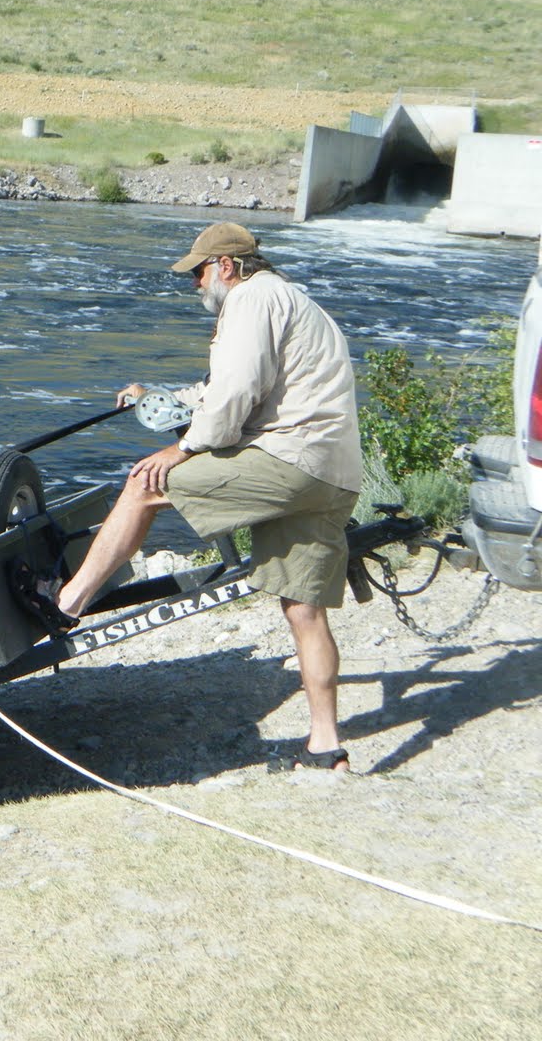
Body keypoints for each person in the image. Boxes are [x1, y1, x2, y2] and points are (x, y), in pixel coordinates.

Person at [52, 222, 363, 772]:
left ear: (226, 266)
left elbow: (237, 393)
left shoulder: (249, 300)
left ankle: (66, 605)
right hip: (332, 477)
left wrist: (183, 451)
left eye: (197, 272)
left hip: (287, 461)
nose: (194, 283)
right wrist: (160, 398)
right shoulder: (288, 299)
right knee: (304, 610)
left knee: (145, 485)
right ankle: (326, 746)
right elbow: (227, 388)